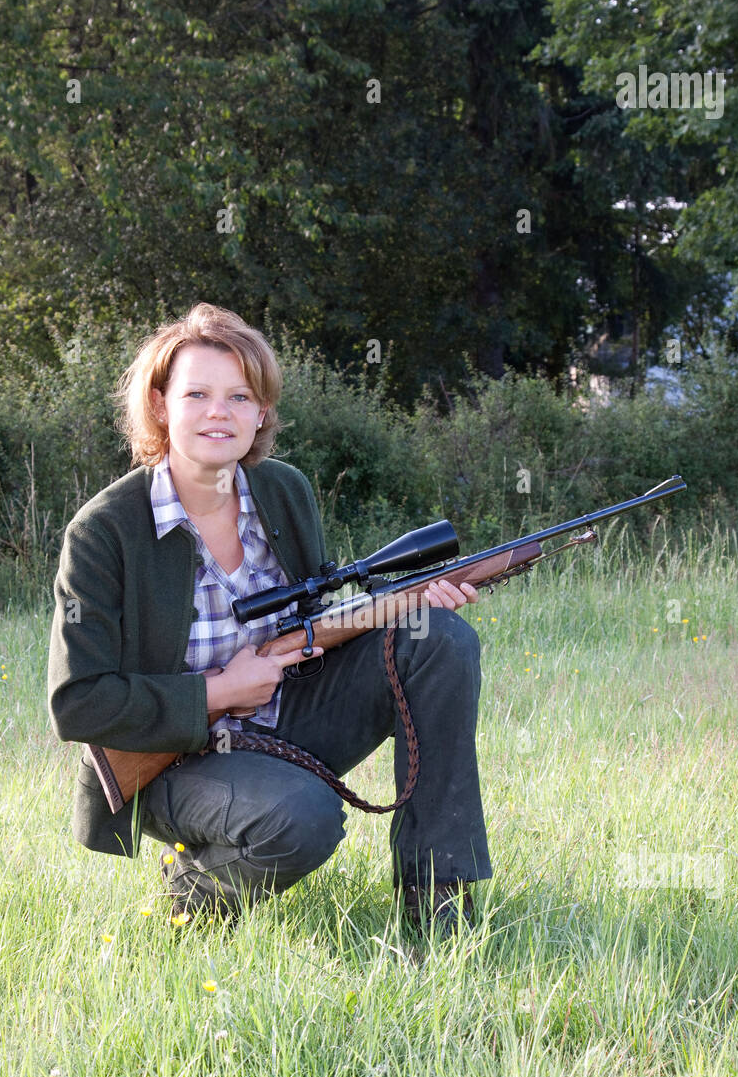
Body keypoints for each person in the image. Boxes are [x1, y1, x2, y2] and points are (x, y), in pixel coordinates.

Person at [47, 303, 491, 933]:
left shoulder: (283, 490)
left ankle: (438, 903)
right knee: (302, 818)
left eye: (240, 396)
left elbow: (317, 616)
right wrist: (220, 691)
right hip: (177, 758)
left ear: (261, 413)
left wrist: (406, 603)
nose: (219, 412)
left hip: (288, 720)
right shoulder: (104, 532)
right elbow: (78, 704)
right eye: (197, 393)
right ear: (159, 404)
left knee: (438, 639)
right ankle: (193, 894)